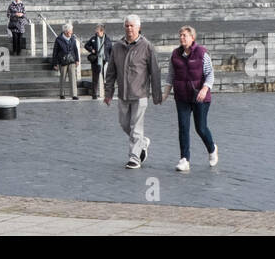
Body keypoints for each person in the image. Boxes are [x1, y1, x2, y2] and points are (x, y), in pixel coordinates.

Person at [103, 14, 162, 168]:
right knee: (124, 124)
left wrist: (157, 95)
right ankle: (143, 142)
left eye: (132, 26)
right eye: (127, 26)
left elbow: (155, 71)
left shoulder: (147, 46)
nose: (129, 28)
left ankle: (134, 158)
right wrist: (108, 93)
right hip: (123, 94)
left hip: (140, 94)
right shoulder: (117, 47)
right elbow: (111, 72)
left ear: (138, 28)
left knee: (136, 127)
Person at [165, 26, 218, 173]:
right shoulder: (175, 54)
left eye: (185, 35)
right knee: (183, 127)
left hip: (200, 97)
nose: (182, 38)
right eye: (181, 35)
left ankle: (212, 148)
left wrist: (204, 88)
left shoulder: (202, 53)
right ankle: (184, 159)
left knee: (200, 128)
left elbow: (210, 75)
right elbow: (171, 75)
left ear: (192, 38)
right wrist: (165, 93)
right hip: (182, 96)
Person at [52, 22, 81, 99]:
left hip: (72, 60)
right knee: (63, 78)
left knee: (73, 78)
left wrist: (77, 60)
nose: (71, 33)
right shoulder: (58, 39)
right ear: (65, 32)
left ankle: (74, 95)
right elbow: (55, 52)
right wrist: (55, 63)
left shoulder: (73, 38)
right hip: (63, 61)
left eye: (71, 31)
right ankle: (62, 93)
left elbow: (75, 49)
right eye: (69, 31)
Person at [84, 24, 108, 99]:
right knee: (95, 78)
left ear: (102, 31)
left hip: (104, 60)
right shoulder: (93, 38)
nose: (96, 31)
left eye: (97, 30)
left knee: (105, 78)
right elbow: (86, 45)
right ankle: (94, 94)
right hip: (95, 61)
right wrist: (91, 50)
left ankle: (106, 94)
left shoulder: (107, 39)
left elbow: (110, 49)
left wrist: (108, 57)